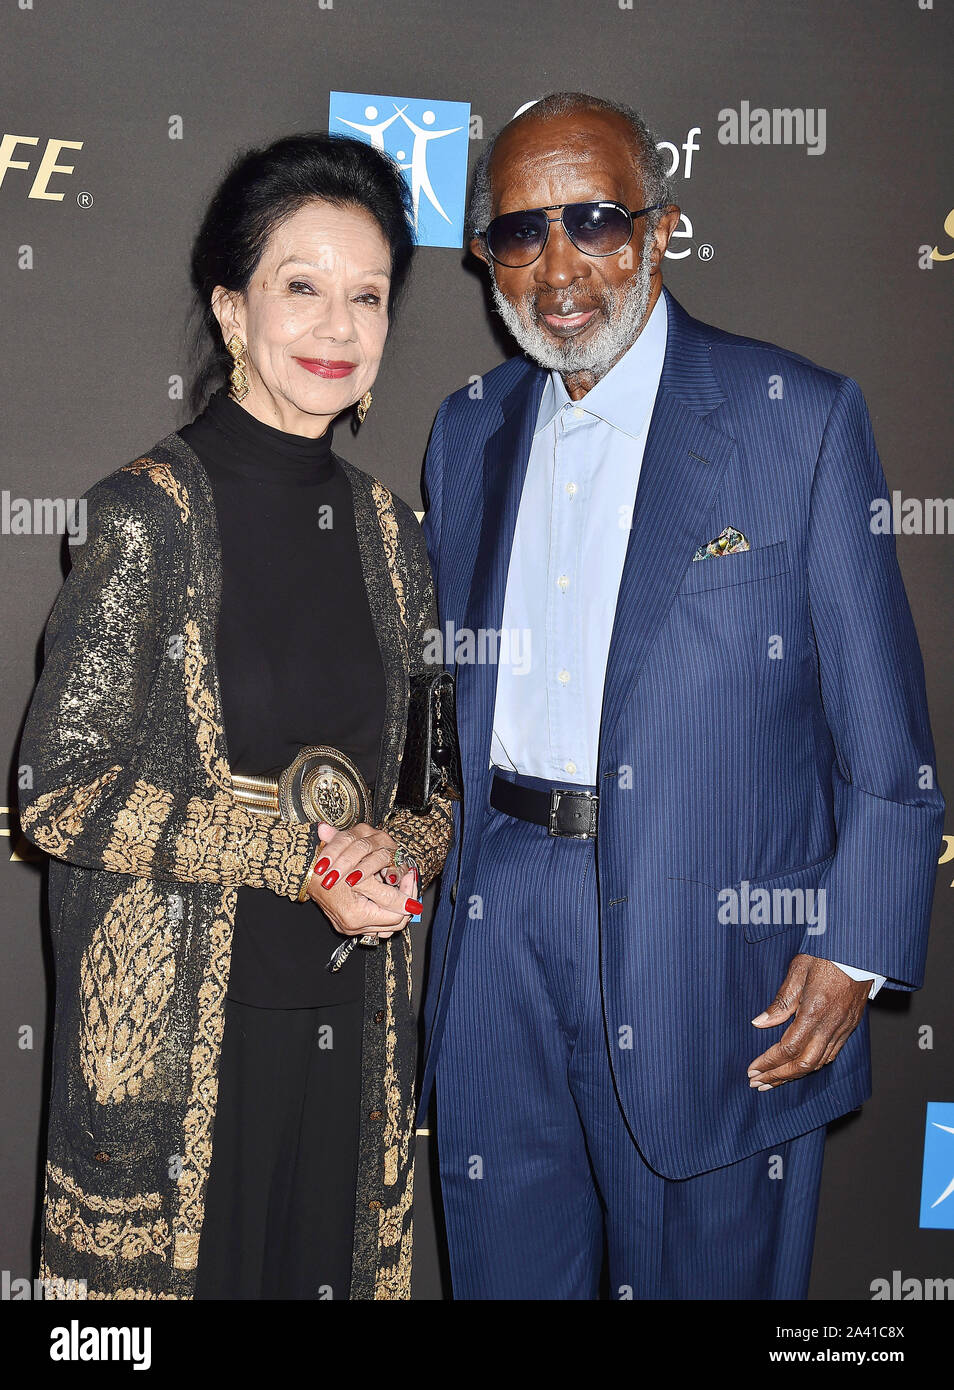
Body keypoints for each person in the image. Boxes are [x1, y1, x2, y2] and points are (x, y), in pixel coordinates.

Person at [417, 92, 944, 1299]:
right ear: (485, 256)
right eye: (519, 232)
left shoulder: (796, 419)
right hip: (500, 932)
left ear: (658, 230)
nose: (558, 268)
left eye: (594, 220)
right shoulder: (467, 429)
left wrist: (857, 942)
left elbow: (889, 743)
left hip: (715, 958)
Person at [18, 131, 454, 1301]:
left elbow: (434, 788)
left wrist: (389, 850)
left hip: (354, 1019)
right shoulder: (144, 517)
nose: (336, 327)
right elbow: (58, 790)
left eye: (366, 296)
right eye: (299, 287)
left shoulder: (394, 536)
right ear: (230, 308)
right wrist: (294, 857)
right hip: (174, 1042)